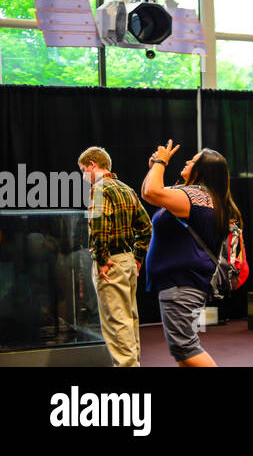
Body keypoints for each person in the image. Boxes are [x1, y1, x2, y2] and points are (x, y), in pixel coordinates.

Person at [141, 141, 242, 367]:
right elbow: (151, 191)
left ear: (201, 170)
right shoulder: (200, 197)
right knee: (184, 349)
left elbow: (151, 192)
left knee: (185, 347)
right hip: (184, 282)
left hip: (183, 283)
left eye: (193, 161)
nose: (187, 161)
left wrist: (161, 162)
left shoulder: (197, 198)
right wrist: (155, 167)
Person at [77, 147, 151, 367]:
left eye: (82, 170)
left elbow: (98, 227)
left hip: (111, 264)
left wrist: (101, 259)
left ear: (92, 165)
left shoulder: (99, 189)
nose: (83, 176)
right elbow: (146, 227)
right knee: (129, 321)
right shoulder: (127, 189)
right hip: (127, 262)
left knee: (117, 325)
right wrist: (137, 258)